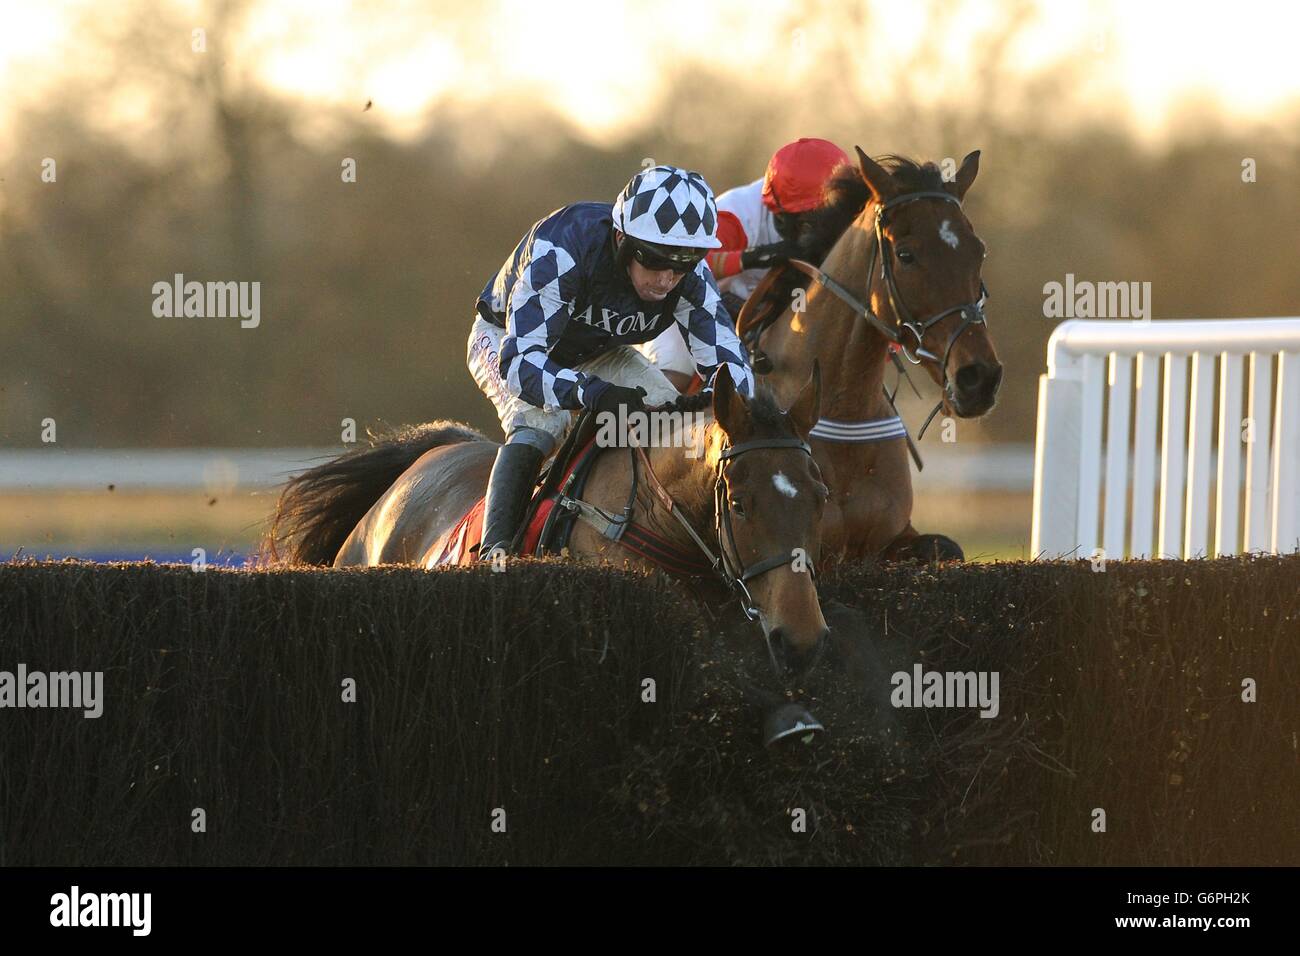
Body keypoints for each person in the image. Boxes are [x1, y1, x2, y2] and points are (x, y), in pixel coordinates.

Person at [468, 164, 755, 558]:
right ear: (622, 239)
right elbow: (520, 364)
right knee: (542, 422)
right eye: (655, 260)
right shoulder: (563, 250)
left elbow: (730, 364)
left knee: (671, 419)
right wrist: (589, 391)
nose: (667, 279)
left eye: (683, 264)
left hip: (599, 350)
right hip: (508, 342)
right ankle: (494, 557)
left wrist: (725, 405)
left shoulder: (690, 275)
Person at [638, 138, 851, 391]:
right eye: (809, 219)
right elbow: (683, 267)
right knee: (673, 378)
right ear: (779, 211)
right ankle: (622, 425)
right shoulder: (735, 214)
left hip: (773, 318)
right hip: (696, 308)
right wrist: (754, 257)